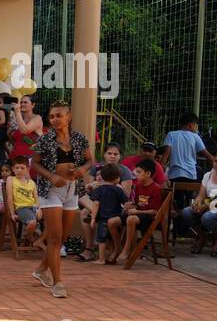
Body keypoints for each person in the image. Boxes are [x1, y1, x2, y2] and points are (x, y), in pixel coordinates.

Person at [31, 101, 92, 299]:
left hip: (72, 189)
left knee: (62, 237)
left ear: (68, 116)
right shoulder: (45, 139)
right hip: (51, 191)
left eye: (59, 115)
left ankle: (41, 269)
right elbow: (35, 164)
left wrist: (82, 170)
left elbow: (90, 160)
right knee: (56, 238)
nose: (55, 119)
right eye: (52, 117)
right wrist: (51, 176)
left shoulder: (79, 139)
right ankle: (58, 283)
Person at [182, 150, 217, 255]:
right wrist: (197, 203)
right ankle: (201, 235)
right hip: (207, 206)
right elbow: (201, 194)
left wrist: (205, 205)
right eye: (216, 161)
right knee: (186, 212)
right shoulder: (208, 175)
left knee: (207, 217)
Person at [122, 158, 166, 259]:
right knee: (119, 217)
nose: (135, 174)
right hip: (140, 214)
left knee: (131, 218)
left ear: (148, 174)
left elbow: (155, 211)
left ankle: (127, 249)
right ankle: (118, 248)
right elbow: (139, 204)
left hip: (150, 218)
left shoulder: (156, 189)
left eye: (139, 172)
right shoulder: (138, 186)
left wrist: (137, 211)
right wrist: (131, 205)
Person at [88, 162, 129, 265]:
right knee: (111, 239)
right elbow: (125, 203)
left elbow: (96, 204)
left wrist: (93, 219)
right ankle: (112, 257)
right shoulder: (118, 190)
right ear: (116, 178)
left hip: (102, 219)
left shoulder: (99, 190)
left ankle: (101, 259)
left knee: (101, 240)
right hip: (115, 219)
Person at [8, 160, 40, 247]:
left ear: (27, 169)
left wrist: (38, 209)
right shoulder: (11, 179)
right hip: (21, 208)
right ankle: (29, 235)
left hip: (33, 208)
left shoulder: (32, 183)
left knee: (49, 219)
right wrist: (12, 213)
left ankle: (40, 239)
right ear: (13, 169)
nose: (19, 170)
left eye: (22, 168)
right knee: (32, 222)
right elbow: (10, 198)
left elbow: (37, 199)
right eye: (17, 168)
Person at [7, 94, 43, 167]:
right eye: (21, 102)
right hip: (16, 158)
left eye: (25, 102)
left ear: (33, 105)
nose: (22, 104)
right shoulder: (18, 118)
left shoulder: (37, 118)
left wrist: (17, 112)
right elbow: (13, 138)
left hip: (31, 160)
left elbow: (25, 130)